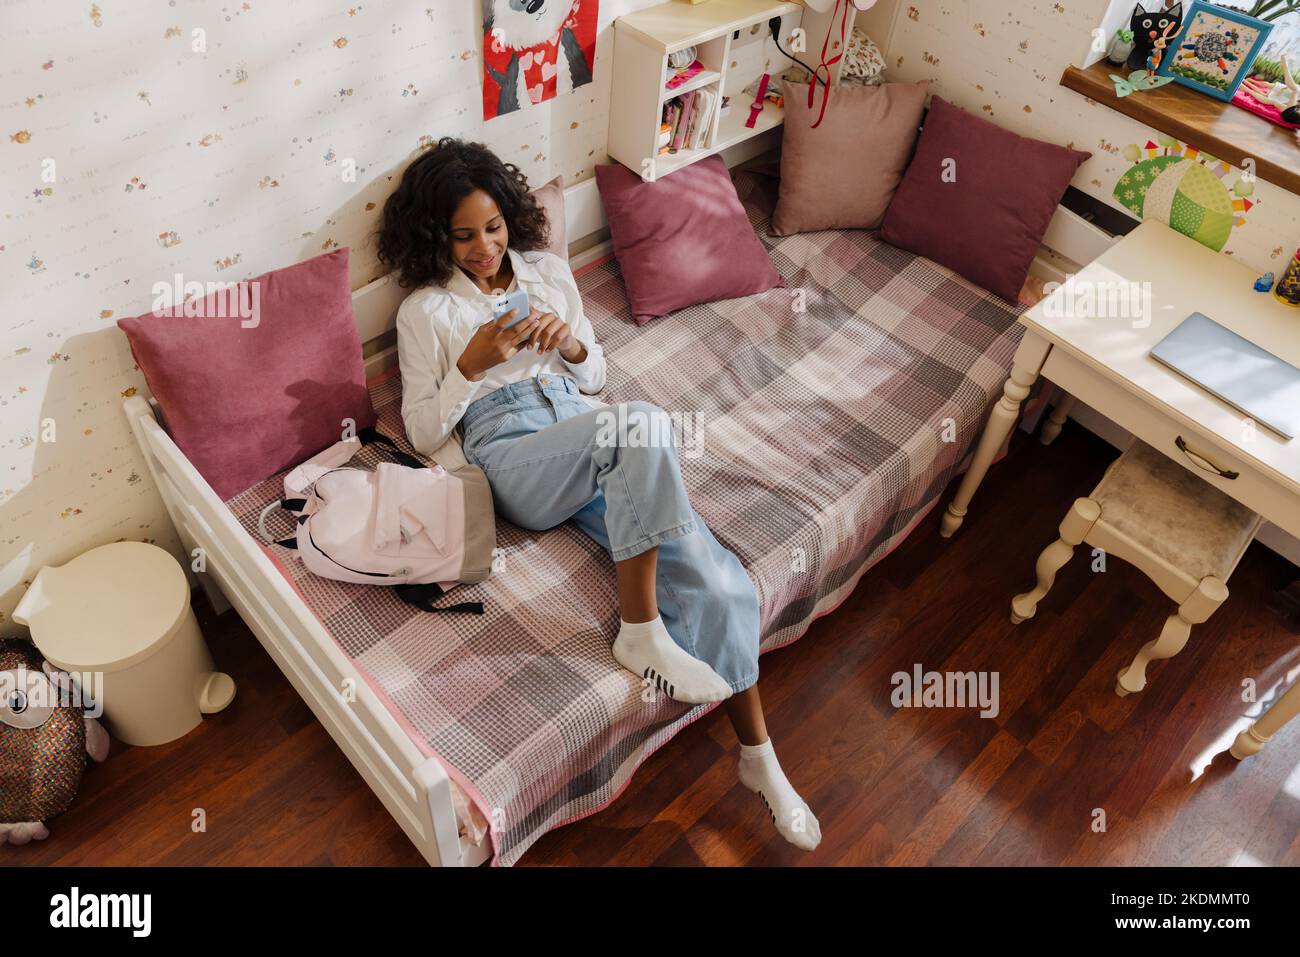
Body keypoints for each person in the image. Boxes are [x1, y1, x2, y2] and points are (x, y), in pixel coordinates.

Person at [376, 137, 820, 851]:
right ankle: (639, 630)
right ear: (436, 235)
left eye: (492, 227)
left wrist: (575, 349)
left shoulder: (549, 273)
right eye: (464, 235)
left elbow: (594, 380)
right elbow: (426, 431)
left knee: (719, 581)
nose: (484, 247)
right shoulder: (426, 313)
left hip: (584, 428)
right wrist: (469, 366)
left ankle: (759, 758)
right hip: (513, 451)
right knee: (640, 426)